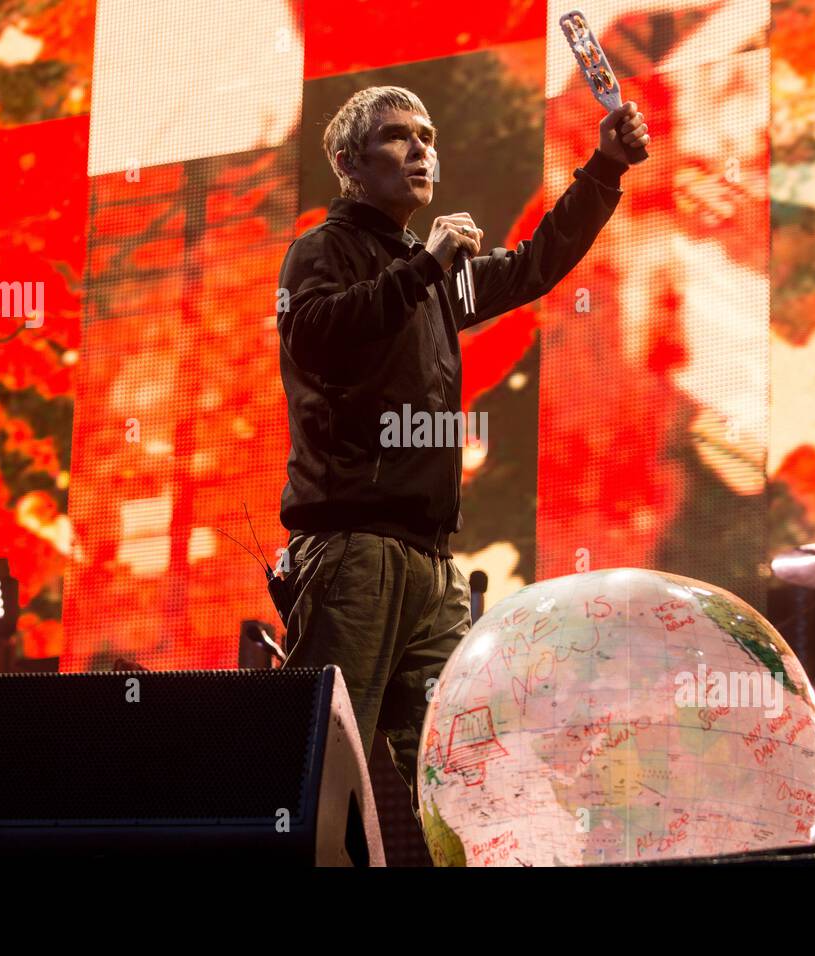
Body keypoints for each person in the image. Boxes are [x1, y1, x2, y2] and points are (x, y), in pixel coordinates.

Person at [273, 85, 648, 826]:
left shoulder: (431, 270)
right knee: (320, 778)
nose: (421, 149)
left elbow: (536, 266)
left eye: (428, 133)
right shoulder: (323, 250)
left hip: (431, 562)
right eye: (398, 136)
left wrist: (603, 169)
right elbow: (314, 335)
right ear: (349, 162)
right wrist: (425, 266)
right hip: (352, 552)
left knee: (468, 769)